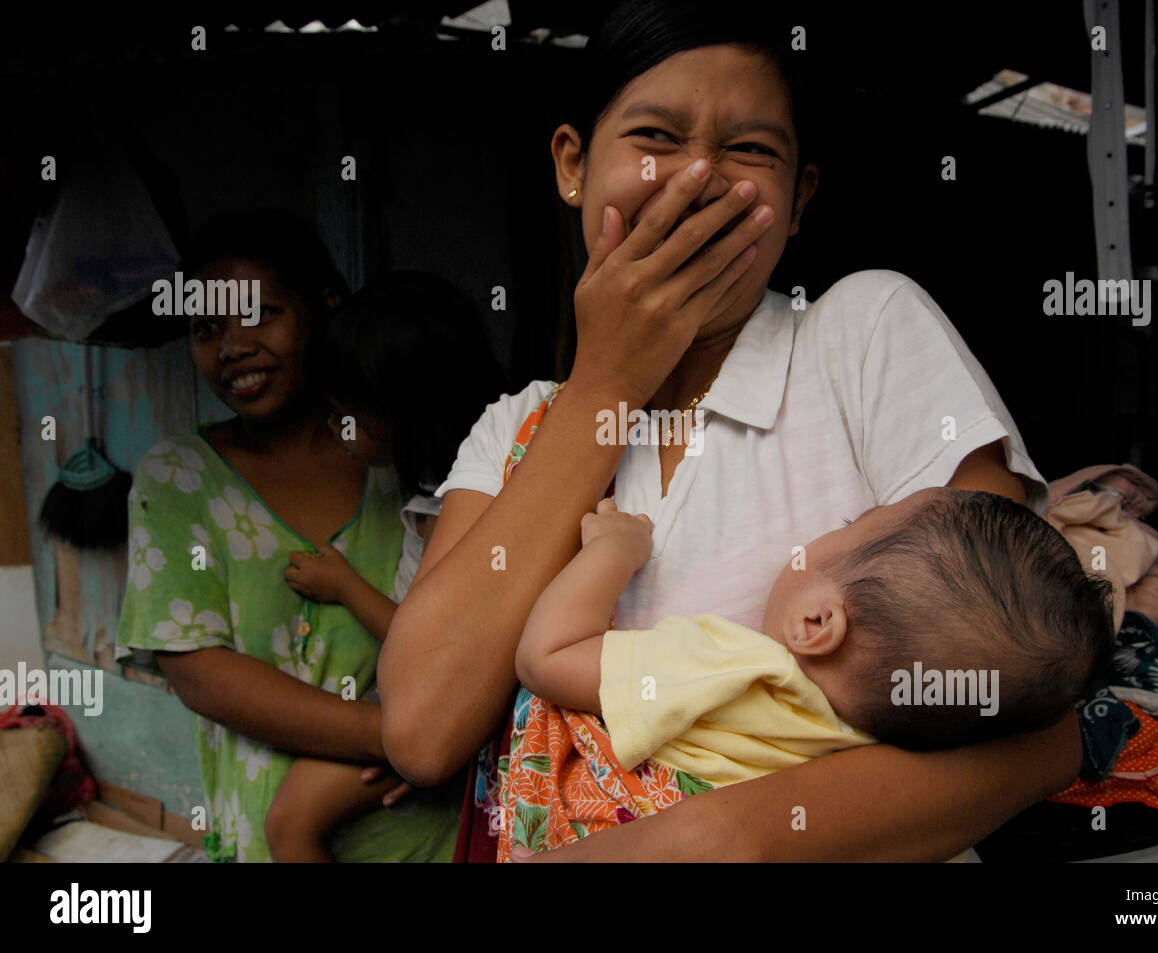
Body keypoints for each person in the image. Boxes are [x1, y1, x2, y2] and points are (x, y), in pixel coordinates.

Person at [380, 1, 1083, 862]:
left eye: (751, 150)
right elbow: (420, 729)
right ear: (572, 164)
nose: (700, 177)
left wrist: (716, 836)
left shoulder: (864, 334)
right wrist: (608, 380)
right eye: (655, 136)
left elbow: (1031, 729)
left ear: (797, 202)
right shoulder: (516, 431)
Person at [115, 212, 460, 862]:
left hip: (432, 831)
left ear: (324, 305)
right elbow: (200, 672)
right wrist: (400, 734)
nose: (232, 346)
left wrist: (435, 733)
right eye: (205, 327)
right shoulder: (180, 479)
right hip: (276, 832)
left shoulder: (396, 454)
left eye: (260, 313)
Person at [510, 489, 1111, 857]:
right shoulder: (891, 777)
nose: (831, 528)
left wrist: (613, 550)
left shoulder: (736, 669)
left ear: (816, 622)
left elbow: (549, 656)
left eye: (852, 523)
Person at [262, 272, 505, 861]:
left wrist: (344, 586)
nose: (333, 427)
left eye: (347, 412)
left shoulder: (457, 508)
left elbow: (421, 639)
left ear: (403, 414)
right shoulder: (432, 488)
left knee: (290, 822)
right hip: (425, 703)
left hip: (448, 700)